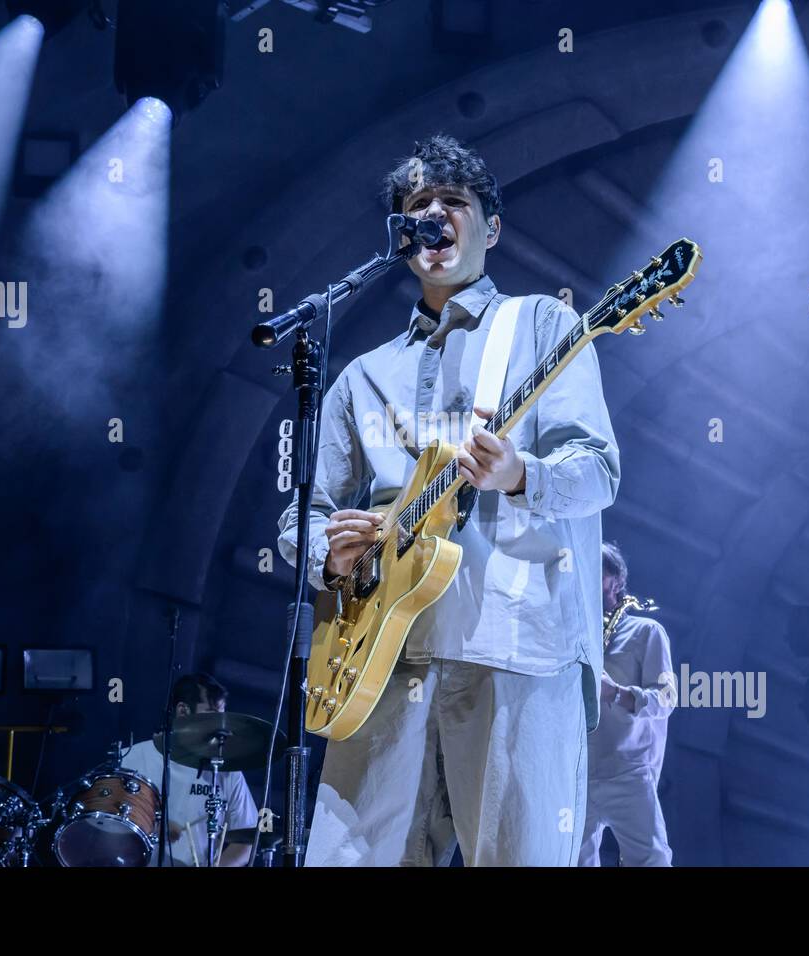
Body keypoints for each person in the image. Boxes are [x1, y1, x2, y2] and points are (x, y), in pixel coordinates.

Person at [277, 134, 620, 866]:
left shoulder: (543, 327)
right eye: (415, 207)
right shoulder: (362, 377)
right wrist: (326, 554)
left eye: (452, 204)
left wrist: (521, 474)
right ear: (400, 235)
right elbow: (302, 513)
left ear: (489, 229)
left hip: (514, 650)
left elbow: (598, 471)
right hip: (376, 665)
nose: (432, 217)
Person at [577, 541, 674, 866]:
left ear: (616, 580)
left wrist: (615, 692)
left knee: (650, 861)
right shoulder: (576, 633)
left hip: (628, 771)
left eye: (597, 571)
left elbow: (666, 698)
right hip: (579, 773)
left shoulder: (647, 631)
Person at [119, 673, 259, 866]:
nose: (220, 724)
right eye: (211, 713)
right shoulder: (132, 758)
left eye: (221, 715)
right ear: (183, 711)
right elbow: (105, 827)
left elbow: (245, 841)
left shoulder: (226, 770)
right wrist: (154, 827)